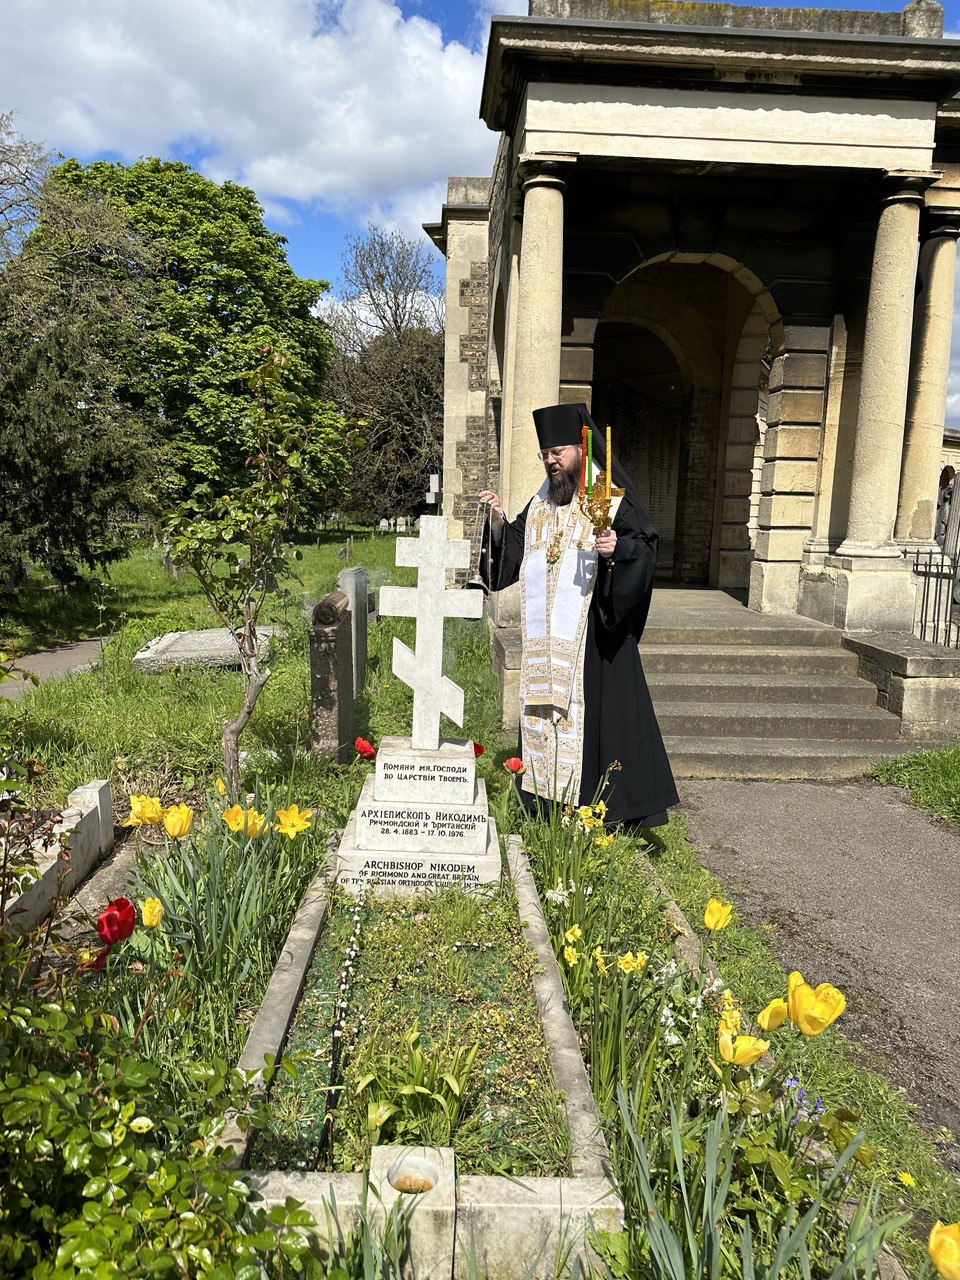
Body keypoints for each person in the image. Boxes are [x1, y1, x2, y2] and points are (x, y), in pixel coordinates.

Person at [479, 402, 678, 827]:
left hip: (591, 639)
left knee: (595, 723)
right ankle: (544, 805)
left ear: (581, 450)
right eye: (545, 454)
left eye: (559, 452)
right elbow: (510, 554)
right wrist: (497, 523)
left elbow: (644, 545)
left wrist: (617, 551)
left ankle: (600, 812)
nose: (551, 461)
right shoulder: (540, 503)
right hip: (545, 642)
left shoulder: (603, 493)